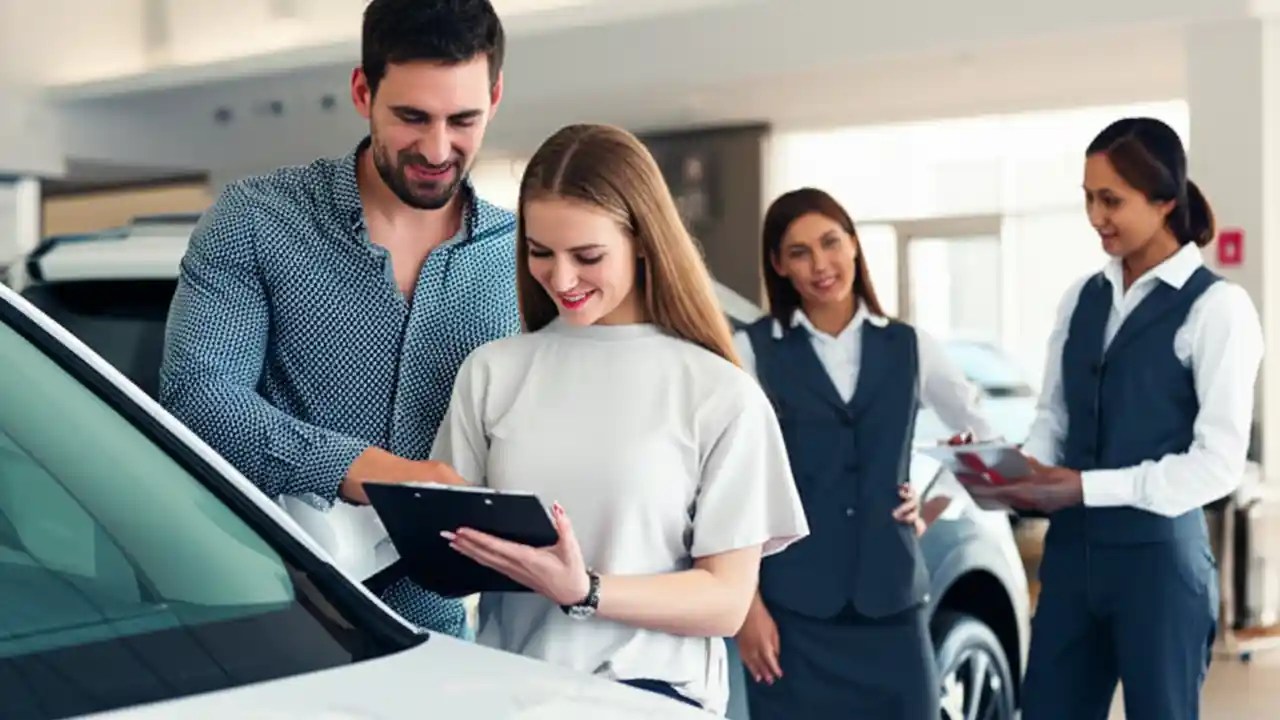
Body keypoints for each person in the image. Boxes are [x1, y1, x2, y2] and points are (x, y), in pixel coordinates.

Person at [428, 123, 813, 715]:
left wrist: (586, 591)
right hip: (509, 696)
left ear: (641, 240)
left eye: (587, 256)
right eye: (540, 253)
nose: (560, 279)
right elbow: (454, 547)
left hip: (647, 701)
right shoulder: (492, 372)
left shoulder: (718, 393)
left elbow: (726, 602)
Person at [159, 0, 514, 638]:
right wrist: (377, 473)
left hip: (444, 638)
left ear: (495, 97)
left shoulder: (522, 261)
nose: (437, 148)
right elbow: (199, 399)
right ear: (362, 91)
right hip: (271, 614)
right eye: (412, 117)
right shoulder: (255, 220)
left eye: (463, 119)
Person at [966, 117, 1263, 720]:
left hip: (1158, 565)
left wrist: (1084, 487)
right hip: (1072, 559)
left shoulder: (1218, 308)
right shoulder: (1080, 297)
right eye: (1087, 198)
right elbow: (1053, 417)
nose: (1095, 216)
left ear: (1164, 201)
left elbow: (1220, 465)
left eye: (1111, 200)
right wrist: (1011, 472)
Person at [730, 187, 997, 720]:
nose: (821, 264)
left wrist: (934, 504)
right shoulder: (752, 351)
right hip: (792, 615)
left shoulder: (910, 346)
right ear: (779, 265)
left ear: (854, 244)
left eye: (831, 242)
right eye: (799, 252)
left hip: (892, 610)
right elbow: (727, 485)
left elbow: (986, 441)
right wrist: (746, 609)